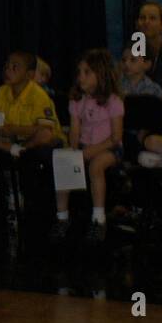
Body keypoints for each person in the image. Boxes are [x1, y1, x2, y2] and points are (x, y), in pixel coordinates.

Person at [52, 50, 123, 242]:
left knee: (96, 165)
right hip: (85, 146)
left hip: (109, 148)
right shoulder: (77, 100)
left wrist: (91, 151)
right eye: (79, 72)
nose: (80, 77)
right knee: (63, 162)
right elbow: (74, 131)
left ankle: (98, 219)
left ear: (100, 74)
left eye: (86, 72)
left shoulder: (113, 101)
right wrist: (73, 151)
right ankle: (62, 217)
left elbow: (116, 138)